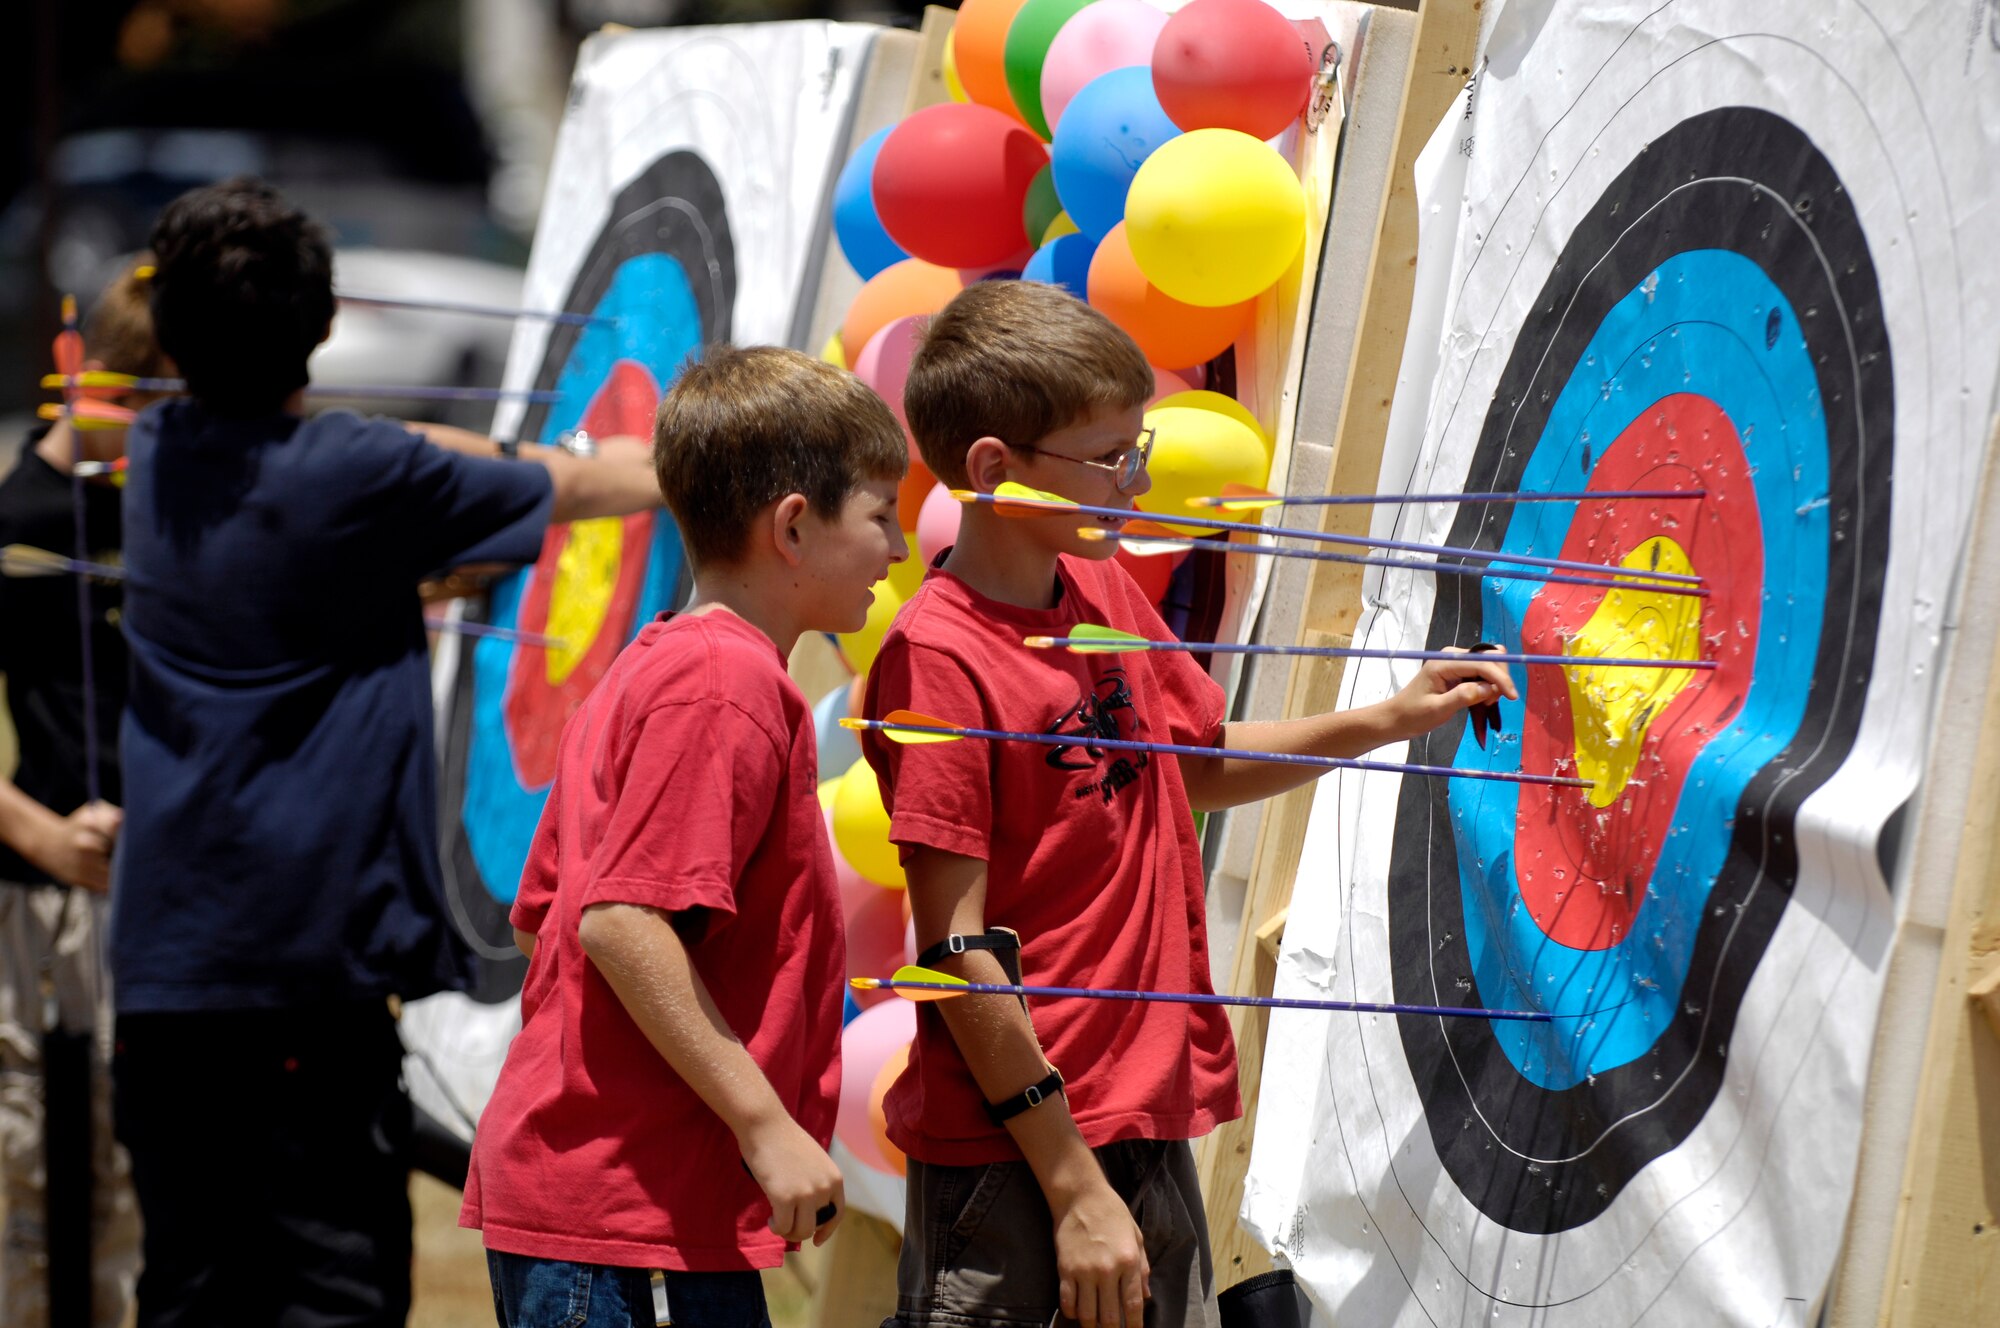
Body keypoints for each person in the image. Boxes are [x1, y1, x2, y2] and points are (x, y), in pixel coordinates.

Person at [861, 281, 1516, 1328]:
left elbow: (1192, 764)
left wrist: (1389, 717)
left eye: (1139, 448)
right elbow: (953, 952)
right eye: (1106, 457)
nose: (1134, 481)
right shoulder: (936, 658)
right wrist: (1071, 1182)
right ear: (992, 468)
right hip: (1021, 1145)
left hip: (1139, 1109)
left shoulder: (1102, 593)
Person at [108, 176, 665, 1327]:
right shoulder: (362, 471)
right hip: (308, 964)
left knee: (190, 1287)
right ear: (322, 325)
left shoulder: (161, 447)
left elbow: (342, 481)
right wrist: (715, 457)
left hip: (168, 966)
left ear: (166, 332)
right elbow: (586, 481)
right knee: (335, 1291)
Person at [461, 345, 908, 1327]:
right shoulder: (723, 686)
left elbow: (547, 917)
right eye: (881, 513)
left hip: (630, 1210)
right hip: (623, 1218)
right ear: (793, 524)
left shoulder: (662, 661)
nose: (900, 549)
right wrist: (761, 1123)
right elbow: (619, 921)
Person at [0, 255, 161, 1328]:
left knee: (131, 1193)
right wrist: (49, 837)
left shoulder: (166, 502)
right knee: (32, 1180)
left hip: (159, 902)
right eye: (151, 408)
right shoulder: (20, 517)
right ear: (97, 382)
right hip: (50, 900)